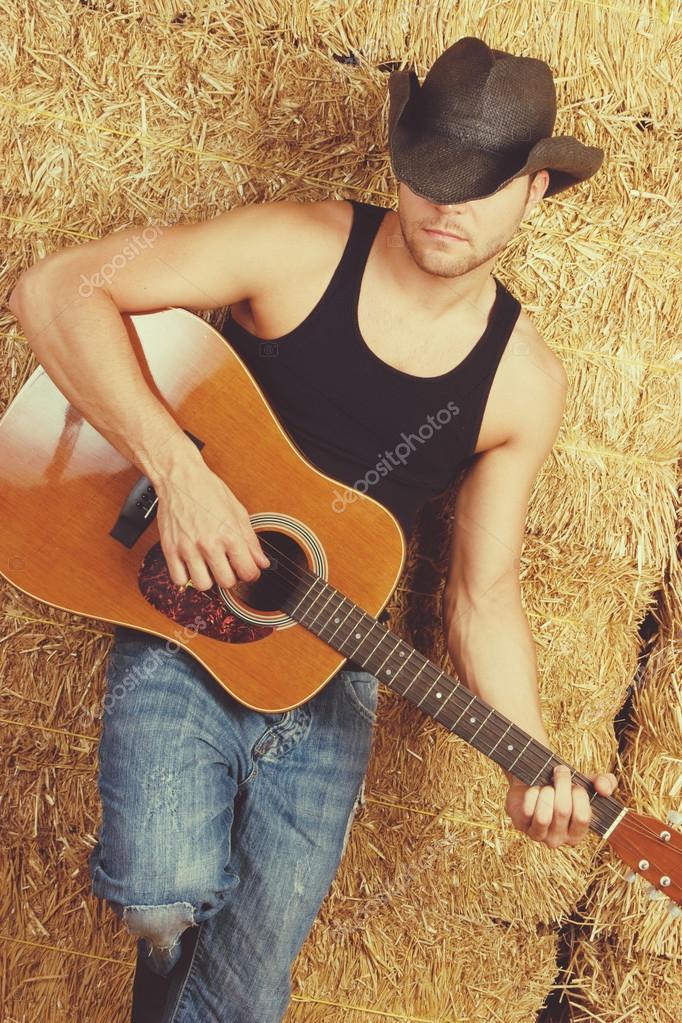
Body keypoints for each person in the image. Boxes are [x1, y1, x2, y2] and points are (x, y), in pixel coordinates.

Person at [9, 34, 618, 1023]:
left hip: (333, 674)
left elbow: (483, 593)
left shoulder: (522, 384)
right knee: (160, 896)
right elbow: (52, 291)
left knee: (249, 993)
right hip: (184, 618)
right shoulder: (299, 247)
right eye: (429, 174)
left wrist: (530, 757)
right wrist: (178, 473)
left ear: (537, 189)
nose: (445, 206)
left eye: (479, 186)